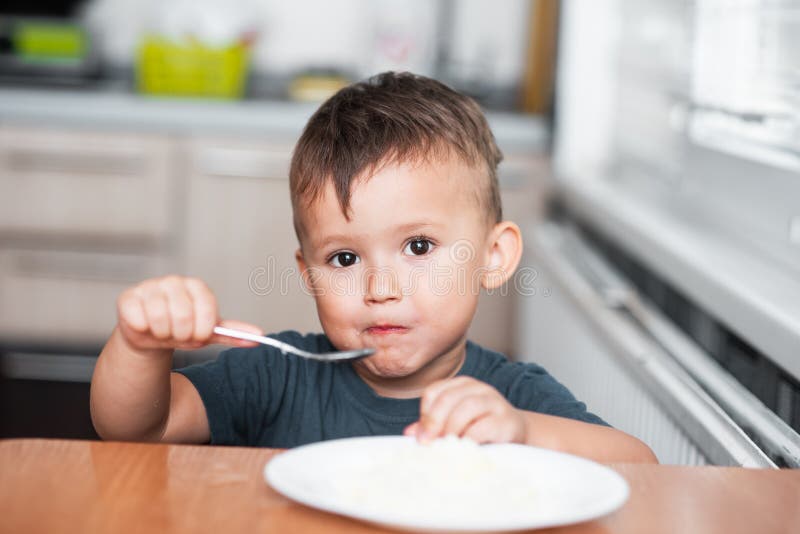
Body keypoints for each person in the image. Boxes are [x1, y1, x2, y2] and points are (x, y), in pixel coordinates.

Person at [90, 72, 657, 463]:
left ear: (493, 257)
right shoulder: (275, 378)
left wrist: (524, 432)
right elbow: (138, 429)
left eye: (417, 247)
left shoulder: (512, 398)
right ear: (309, 272)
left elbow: (640, 465)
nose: (380, 289)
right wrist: (141, 346)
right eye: (344, 258)